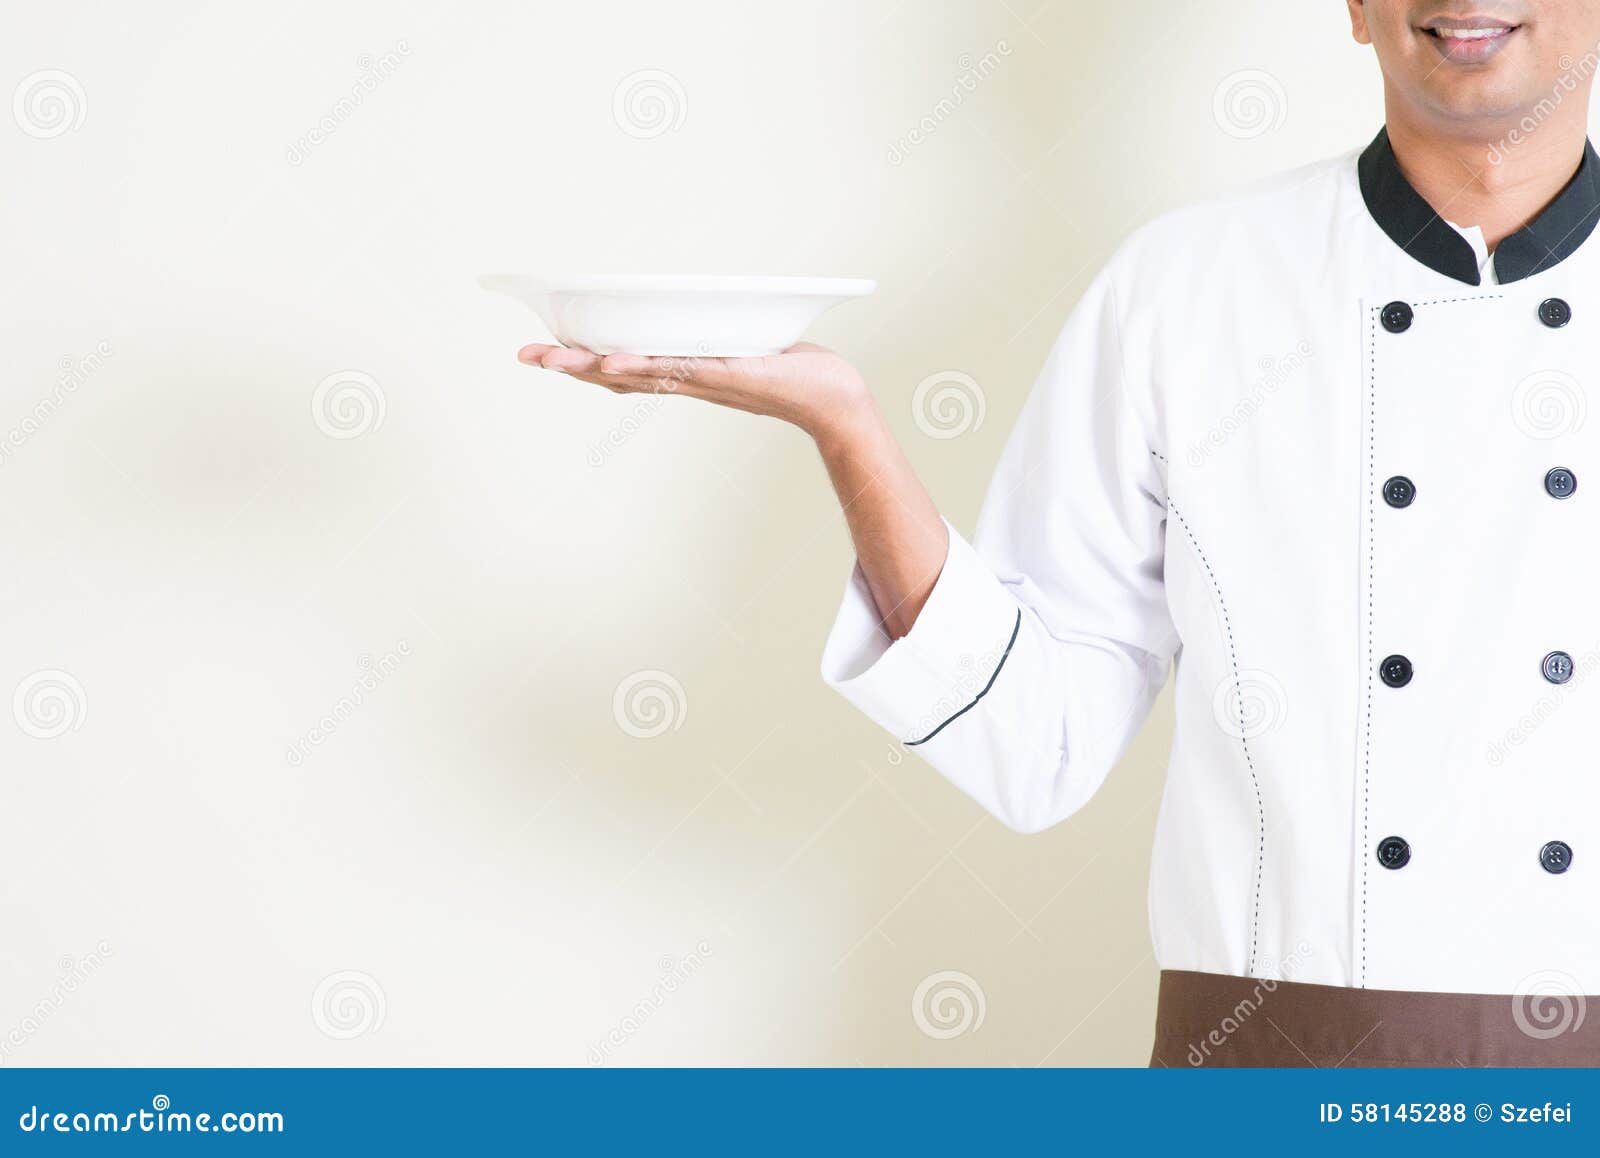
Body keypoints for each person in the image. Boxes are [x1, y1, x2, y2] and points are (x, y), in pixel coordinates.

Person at [518, 1, 1600, 1066]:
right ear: (1357, 10)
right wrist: (843, 424)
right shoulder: (1187, 289)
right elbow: (1034, 746)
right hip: (1276, 1065)